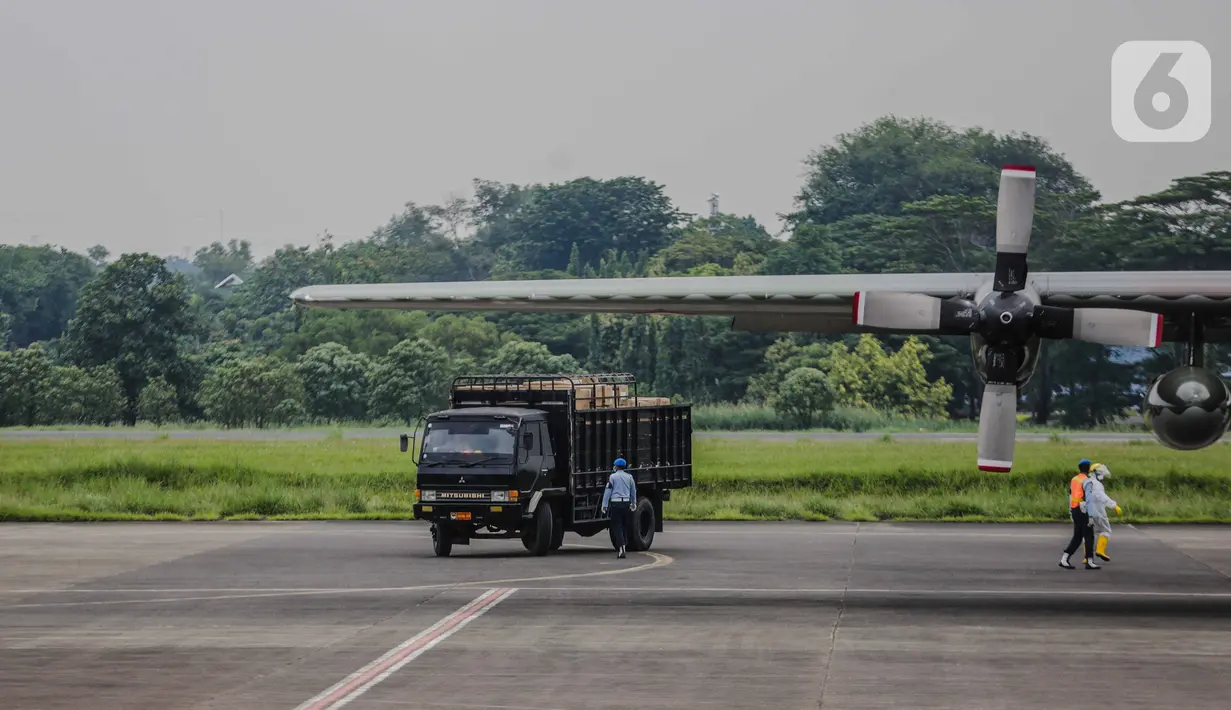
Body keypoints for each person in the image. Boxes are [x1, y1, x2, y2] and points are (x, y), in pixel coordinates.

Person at [1059, 459, 1096, 569]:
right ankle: (1089, 561)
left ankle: (1064, 559)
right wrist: (1091, 516)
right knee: (1089, 536)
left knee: (1077, 537)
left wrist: (1070, 510)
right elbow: (1089, 499)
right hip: (1083, 510)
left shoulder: (1074, 479)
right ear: (1088, 469)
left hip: (1075, 509)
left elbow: (1070, 495)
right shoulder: (1087, 481)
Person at [1082, 462, 1122, 563]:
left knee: (1088, 534)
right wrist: (1114, 505)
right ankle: (1100, 551)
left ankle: (1087, 557)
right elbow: (1101, 496)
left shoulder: (1086, 482)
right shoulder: (1097, 484)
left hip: (1086, 511)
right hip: (1098, 512)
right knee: (1105, 531)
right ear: (1096, 473)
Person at [602, 457, 637, 559]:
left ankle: (621, 547)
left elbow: (607, 491)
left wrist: (604, 505)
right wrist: (633, 503)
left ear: (616, 467)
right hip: (626, 503)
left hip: (616, 504)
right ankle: (624, 544)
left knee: (617, 526)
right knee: (624, 525)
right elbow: (633, 491)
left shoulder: (612, 477)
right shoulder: (629, 477)